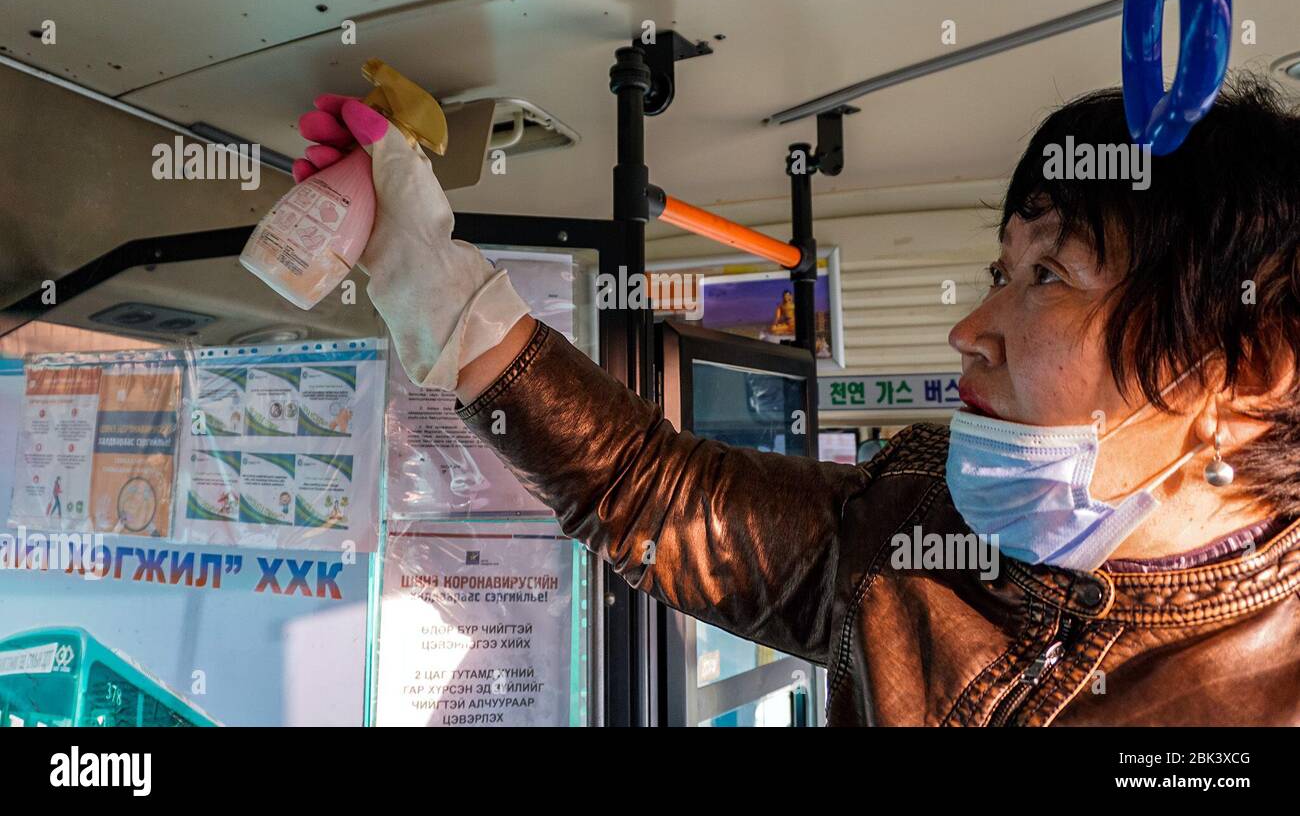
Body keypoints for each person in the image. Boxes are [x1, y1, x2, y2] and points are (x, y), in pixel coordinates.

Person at [293, 73, 1300, 725]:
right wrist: (428, 277)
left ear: (1244, 367)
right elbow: (654, 492)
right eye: (1002, 268)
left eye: (1049, 278)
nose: (970, 328)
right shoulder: (921, 528)